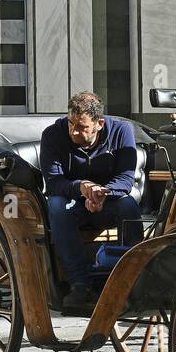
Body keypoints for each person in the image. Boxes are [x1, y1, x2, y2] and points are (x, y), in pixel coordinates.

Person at [41, 92, 141, 309]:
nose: (73, 131)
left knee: (129, 205)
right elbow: (54, 182)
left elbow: (125, 180)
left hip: (109, 201)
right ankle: (80, 284)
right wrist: (82, 188)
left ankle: (133, 279)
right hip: (73, 202)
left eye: (82, 127)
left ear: (100, 124)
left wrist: (102, 193)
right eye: (70, 123)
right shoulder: (53, 134)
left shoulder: (121, 131)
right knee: (57, 206)